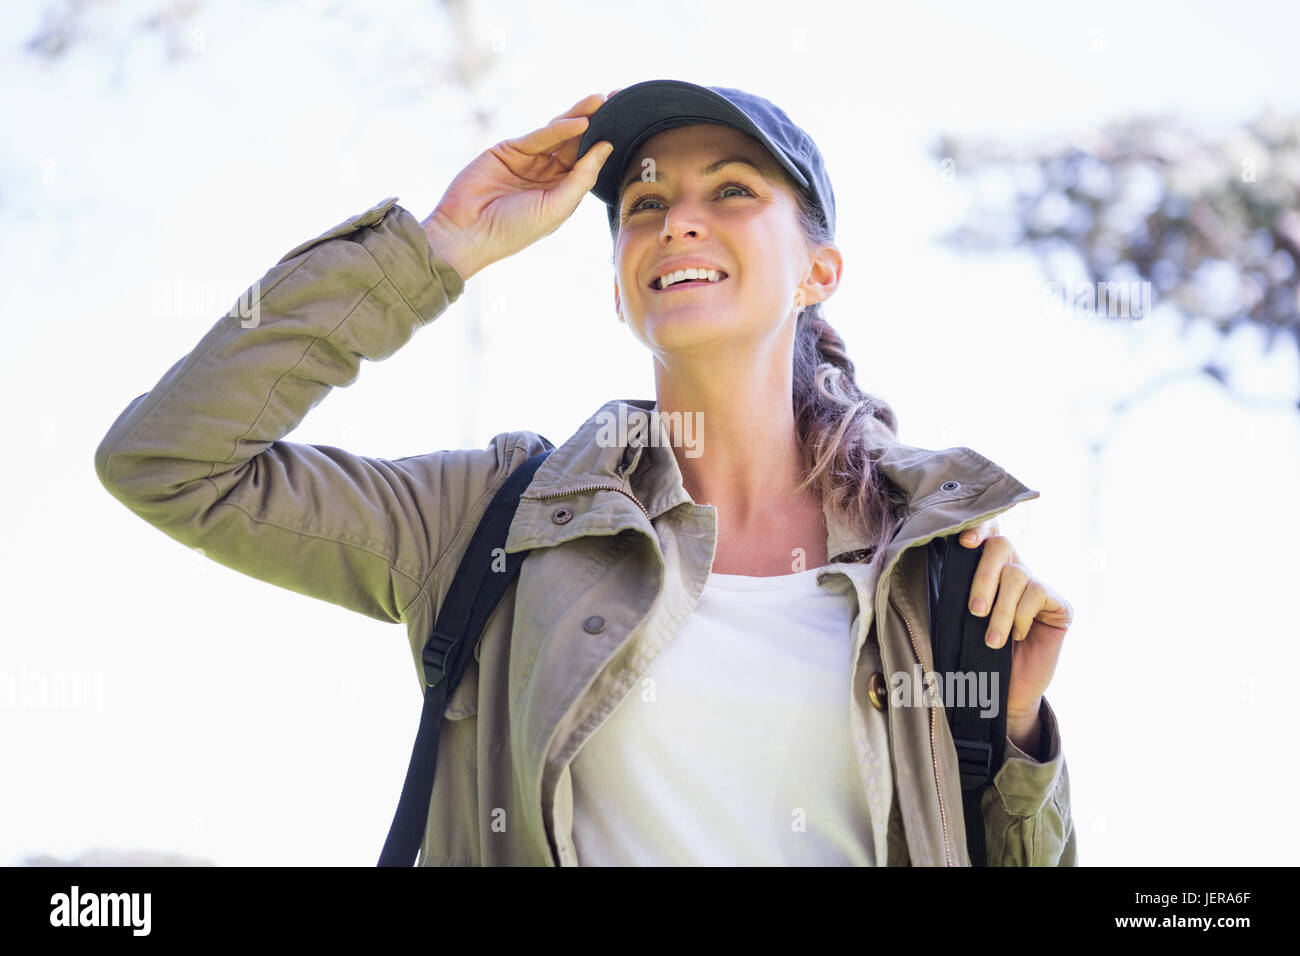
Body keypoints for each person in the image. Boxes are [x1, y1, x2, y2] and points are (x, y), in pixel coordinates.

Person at [95, 80, 1076, 866]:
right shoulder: (492, 520)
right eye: (645, 203)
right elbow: (170, 461)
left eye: (730, 189)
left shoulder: (939, 569)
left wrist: (1018, 727)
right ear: (619, 287)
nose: (678, 222)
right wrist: (434, 248)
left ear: (818, 272)